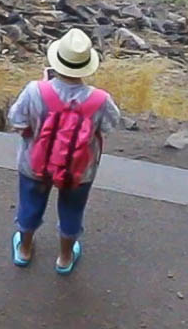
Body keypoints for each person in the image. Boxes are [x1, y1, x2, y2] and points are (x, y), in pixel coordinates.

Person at [7, 28, 124, 275]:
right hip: (79, 171)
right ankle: (64, 257)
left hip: (34, 165)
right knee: (72, 211)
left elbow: (17, 120)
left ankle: (24, 250)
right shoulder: (101, 100)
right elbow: (109, 126)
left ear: (56, 62)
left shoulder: (34, 90)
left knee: (30, 205)